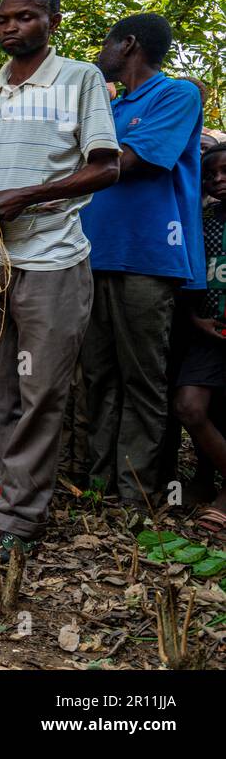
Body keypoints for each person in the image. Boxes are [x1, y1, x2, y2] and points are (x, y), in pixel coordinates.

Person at [0, 0, 120, 558]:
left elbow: (105, 167)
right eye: (4, 18)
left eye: (25, 17)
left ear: (51, 19)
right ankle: (8, 495)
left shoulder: (79, 79)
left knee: (40, 387)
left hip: (50, 259)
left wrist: (28, 194)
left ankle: (22, 518)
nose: (10, 26)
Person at [80, 14, 203, 507]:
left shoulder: (176, 95)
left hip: (149, 257)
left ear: (128, 44)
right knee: (98, 375)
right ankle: (97, 487)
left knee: (142, 378)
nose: (100, 53)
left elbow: (126, 162)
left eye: (106, 44)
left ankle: (137, 493)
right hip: (94, 256)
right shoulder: (110, 104)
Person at [173, 143, 226, 539]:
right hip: (208, 332)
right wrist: (194, 318)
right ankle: (207, 478)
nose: (218, 180)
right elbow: (189, 275)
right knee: (190, 406)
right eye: (210, 175)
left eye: (225, 171)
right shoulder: (203, 220)